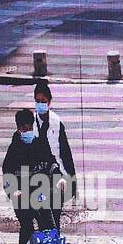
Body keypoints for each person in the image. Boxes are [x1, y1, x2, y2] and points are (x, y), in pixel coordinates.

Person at [2, 108, 61, 244]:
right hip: (21, 196)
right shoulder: (14, 148)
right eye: (23, 129)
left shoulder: (40, 143)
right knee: (27, 226)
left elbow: (51, 162)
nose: (26, 131)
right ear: (18, 129)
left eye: (29, 128)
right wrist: (13, 191)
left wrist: (59, 177)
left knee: (48, 224)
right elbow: (7, 173)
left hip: (40, 193)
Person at [33, 79, 76, 228]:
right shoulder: (30, 123)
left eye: (43, 101)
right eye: (37, 101)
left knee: (54, 215)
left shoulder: (57, 123)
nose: (40, 104)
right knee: (40, 217)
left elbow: (65, 152)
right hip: (36, 176)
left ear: (49, 102)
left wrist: (72, 178)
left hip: (56, 175)